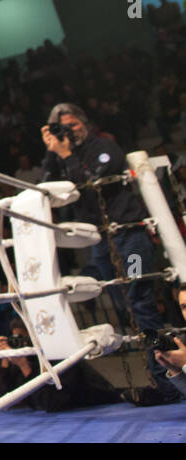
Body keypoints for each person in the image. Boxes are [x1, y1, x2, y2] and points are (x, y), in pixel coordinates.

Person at [39, 102, 180, 404]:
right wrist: (53, 151)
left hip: (128, 235)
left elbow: (92, 184)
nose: (69, 132)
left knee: (139, 303)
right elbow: (46, 189)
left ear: (84, 123)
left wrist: (66, 154)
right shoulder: (62, 156)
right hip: (100, 242)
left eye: (72, 125)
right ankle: (162, 379)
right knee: (124, 307)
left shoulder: (104, 146)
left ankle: (168, 382)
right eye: (61, 128)